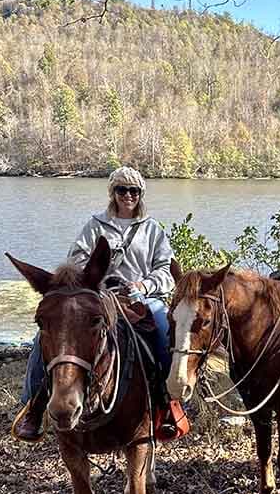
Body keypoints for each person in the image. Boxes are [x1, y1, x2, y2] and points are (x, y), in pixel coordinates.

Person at [14, 165, 175, 442]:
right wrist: (93, 279)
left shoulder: (152, 230)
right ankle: (34, 407)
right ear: (113, 193)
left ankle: (166, 404)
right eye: (122, 190)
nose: (128, 195)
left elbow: (165, 268)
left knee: (162, 327)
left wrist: (144, 285)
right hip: (98, 295)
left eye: (134, 191)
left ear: (140, 194)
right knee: (41, 339)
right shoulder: (95, 225)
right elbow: (75, 260)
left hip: (141, 298)